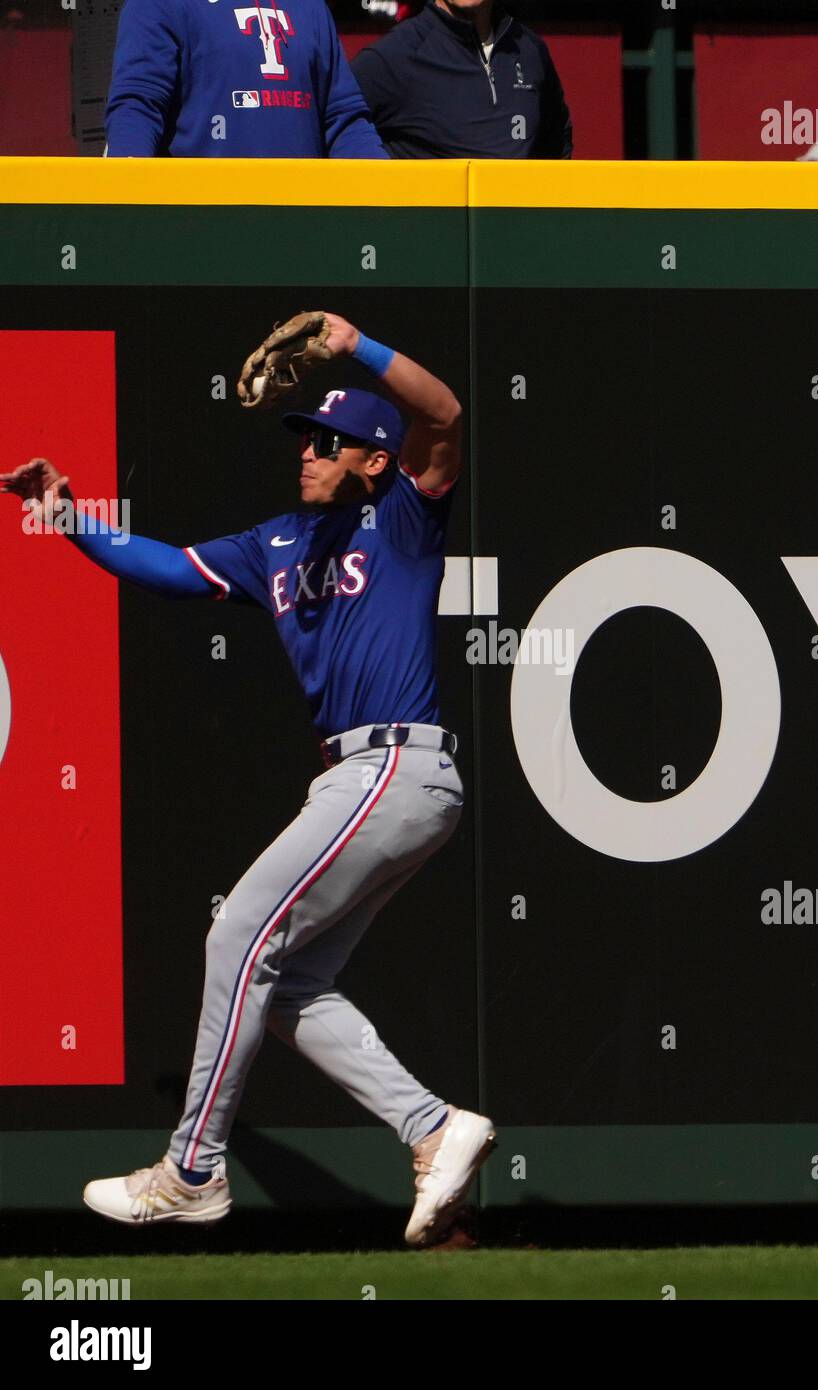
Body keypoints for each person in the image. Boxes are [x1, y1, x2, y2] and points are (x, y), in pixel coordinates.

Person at [0, 314, 495, 1248]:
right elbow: (165, 569)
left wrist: (355, 347)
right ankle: (433, 1128)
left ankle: (192, 1168)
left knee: (237, 932)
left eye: (329, 442)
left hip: (393, 763)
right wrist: (66, 515)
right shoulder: (274, 544)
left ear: (374, 462)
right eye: (304, 438)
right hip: (361, 783)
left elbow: (445, 413)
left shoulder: (401, 518)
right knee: (287, 978)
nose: (307, 452)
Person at [105, 0, 386, 158]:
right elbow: (138, 106)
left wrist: (385, 198)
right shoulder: (157, 5)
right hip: (200, 224)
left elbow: (344, 118)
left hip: (302, 224)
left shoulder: (310, 6)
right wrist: (126, 207)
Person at [350, 0, 572, 158]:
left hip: (515, 224)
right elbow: (337, 134)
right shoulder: (392, 56)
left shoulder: (530, 50)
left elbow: (556, 149)